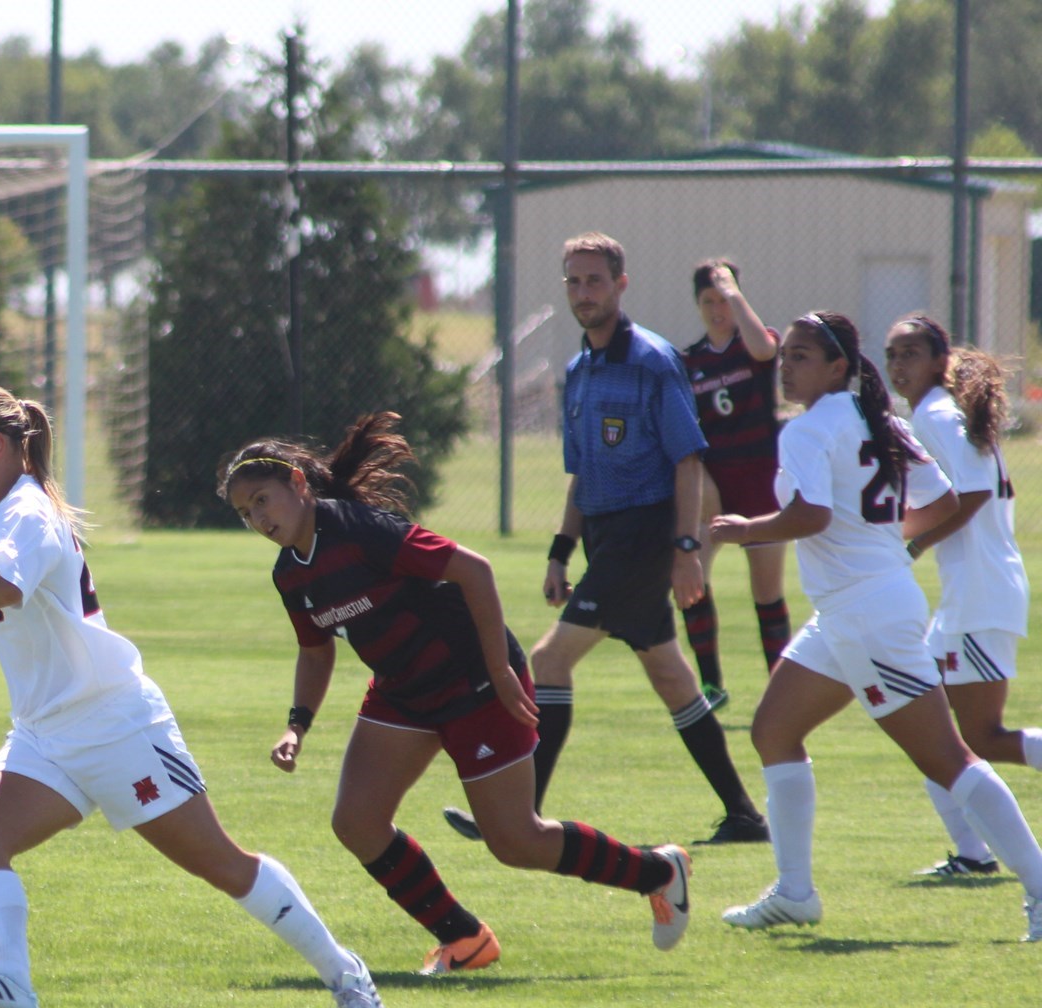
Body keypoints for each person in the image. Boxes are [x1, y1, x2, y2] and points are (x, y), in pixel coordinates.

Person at [0, 384, 388, 1008]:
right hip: (45, 732)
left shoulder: (27, 512)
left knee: (221, 863)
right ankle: (12, 986)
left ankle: (345, 972)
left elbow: (5, 587)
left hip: (116, 723)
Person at [222, 414, 695, 973]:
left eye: (262, 500)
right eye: (245, 512)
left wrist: (499, 672)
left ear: (299, 485)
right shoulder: (290, 575)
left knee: (516, 841)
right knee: (357, 821)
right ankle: (465, 940)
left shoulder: (359, 529)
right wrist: (296, 726)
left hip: (473, 679)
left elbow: (475, 570)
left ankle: (658, 871)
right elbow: (316, 650)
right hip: (403, 691)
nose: (257, 518)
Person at [710, 311, 1042, 943]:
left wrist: (747, 530)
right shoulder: (879, 420)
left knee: (949, 757)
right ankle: (796, 893)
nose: (788, 366)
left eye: (802, 356)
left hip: (867, 614)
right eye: (787, 355)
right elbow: (943, 502)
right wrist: (884, 546)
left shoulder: (810, 429)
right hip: (855, 608)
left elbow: (809, 515)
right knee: (773, 730)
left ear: (838, 366)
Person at [444, 233, 766, 846]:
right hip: (603, 541)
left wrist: (687, 552)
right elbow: (582, 473)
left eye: (594, 280)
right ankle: (744, 815)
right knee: (672, 678)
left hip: (644, 541)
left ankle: (517, 814)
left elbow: (689, 462)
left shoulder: (652, 360)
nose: (583, 292)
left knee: (547, 660)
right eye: (573, 281)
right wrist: (560, 552)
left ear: (621, 285)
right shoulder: (580, 371)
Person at [883, 314, 1037, 878]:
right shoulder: (933, 414)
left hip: (980, 593)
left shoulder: (938, 415)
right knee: (929, 727)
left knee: (979, 738)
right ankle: (972, 855)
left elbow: (970, 495)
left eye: (910, 354)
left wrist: (914, 543)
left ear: (937, 361)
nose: (898, 365)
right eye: (891, 354)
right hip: (972, 594)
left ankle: (978, 855)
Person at [680, 258, 791, 710]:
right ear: (697, 305)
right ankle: (712, 686)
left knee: (766, 594)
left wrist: (736, 294)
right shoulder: (690, 361)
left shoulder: (755, 344)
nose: (716, 309)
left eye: (723, 299)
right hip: (715, 491)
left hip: (761, 483)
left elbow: (766, 352)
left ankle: (781, 691)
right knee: (689, 582)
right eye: (708, 301)